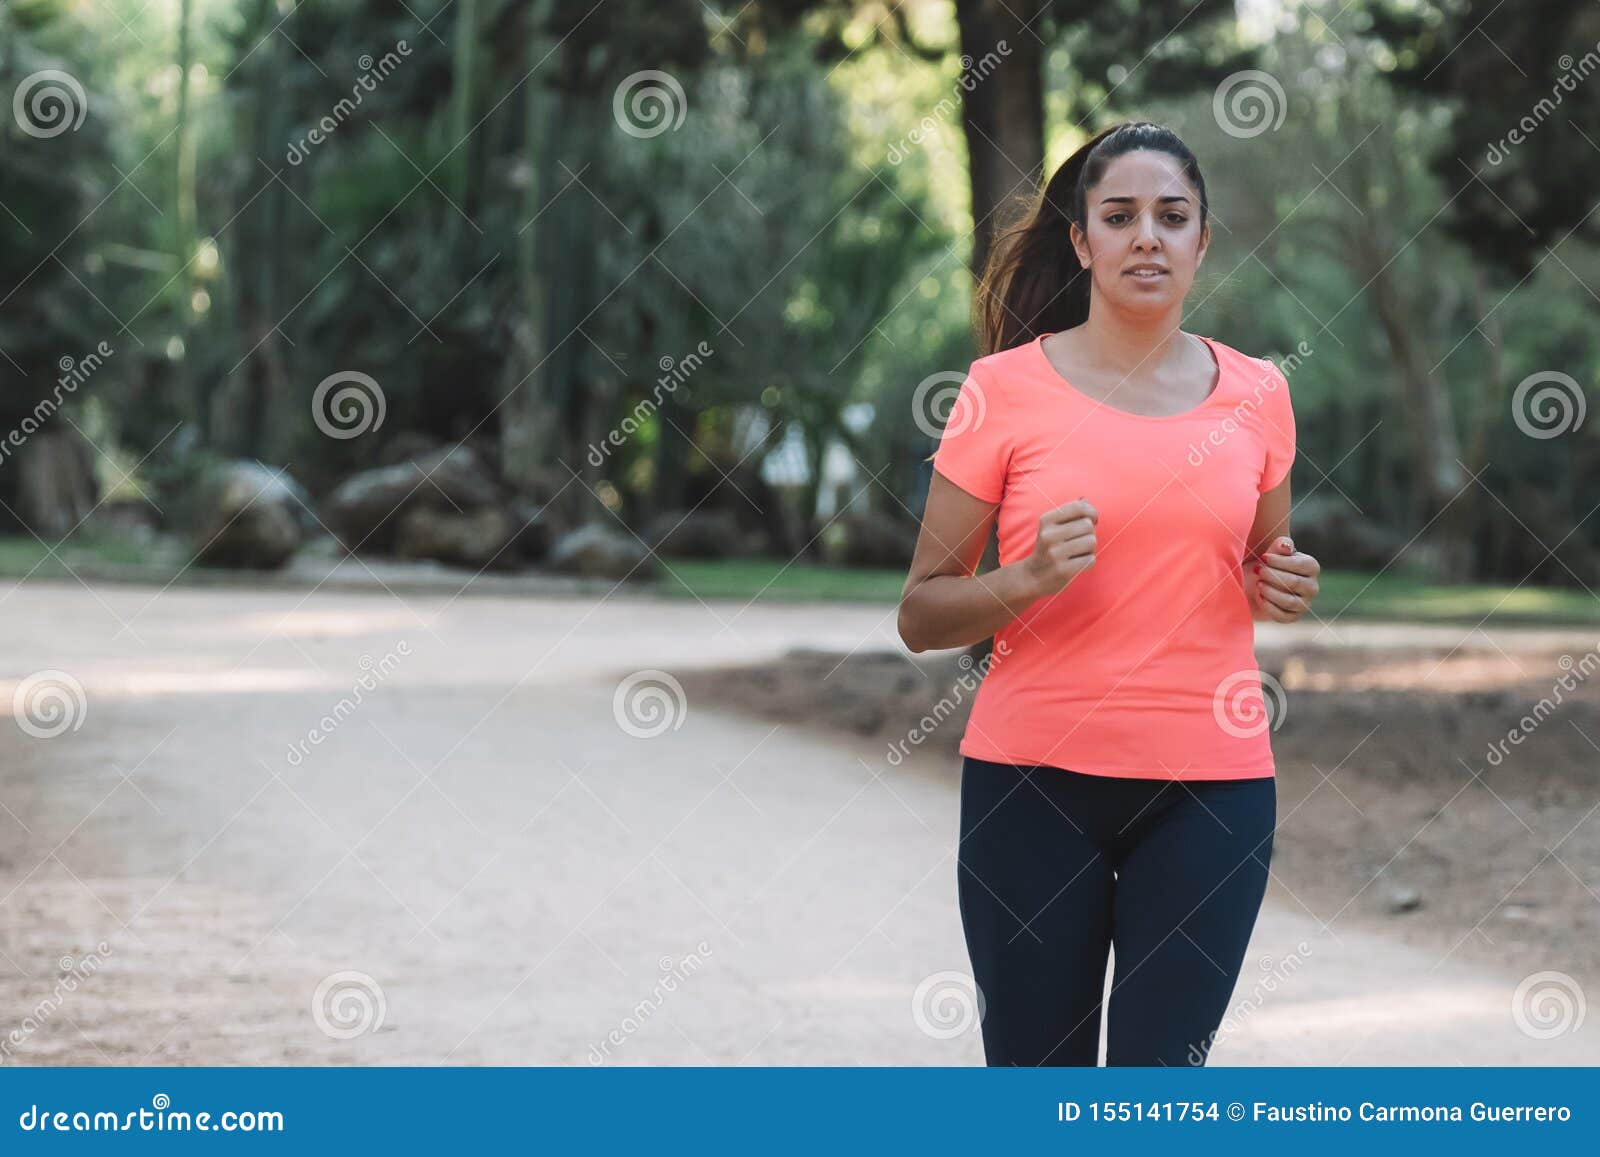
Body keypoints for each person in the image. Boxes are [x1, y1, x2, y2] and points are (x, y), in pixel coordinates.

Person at [897, 121, 1322, 1067]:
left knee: (1160, 1094)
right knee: (1037, 1083)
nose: (1148, 237)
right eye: (1120, 216)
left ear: (1202, 241)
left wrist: (1278, 583)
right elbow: (921, 611)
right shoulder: (999, 391)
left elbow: (1258, 565)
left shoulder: (1257, 396)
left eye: (1173, 217)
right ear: (1083, 240)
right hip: (1032, 786)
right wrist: (1026, 579)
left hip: (1212, 791)